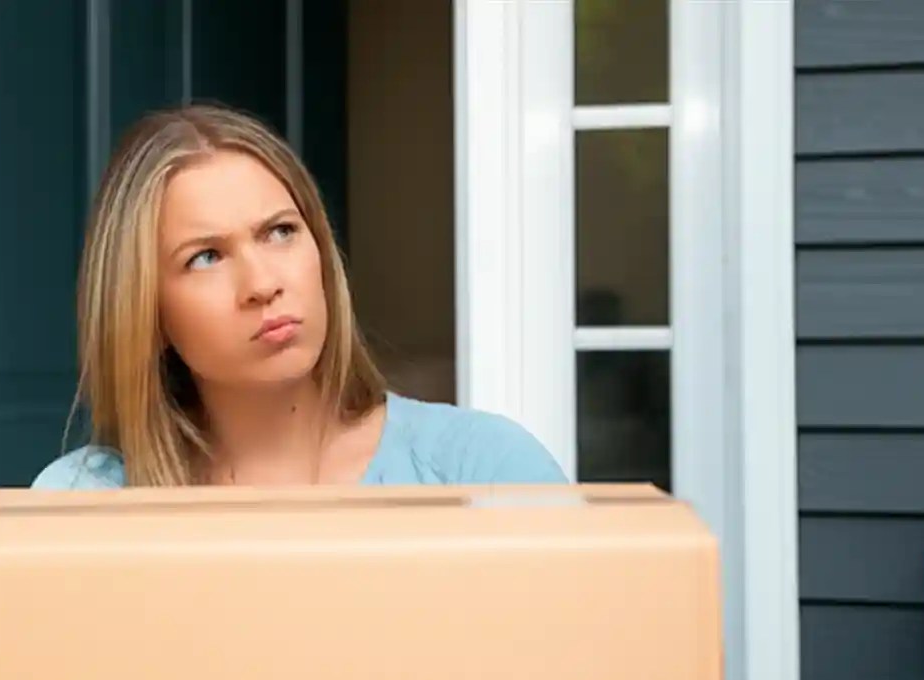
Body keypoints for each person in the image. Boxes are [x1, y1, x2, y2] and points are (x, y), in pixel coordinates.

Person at [33, 105, 566, 489]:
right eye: (206, 257)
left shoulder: (486, 468)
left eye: (280, 232)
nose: (263, 284)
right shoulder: (83, 501)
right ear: (147, 312)